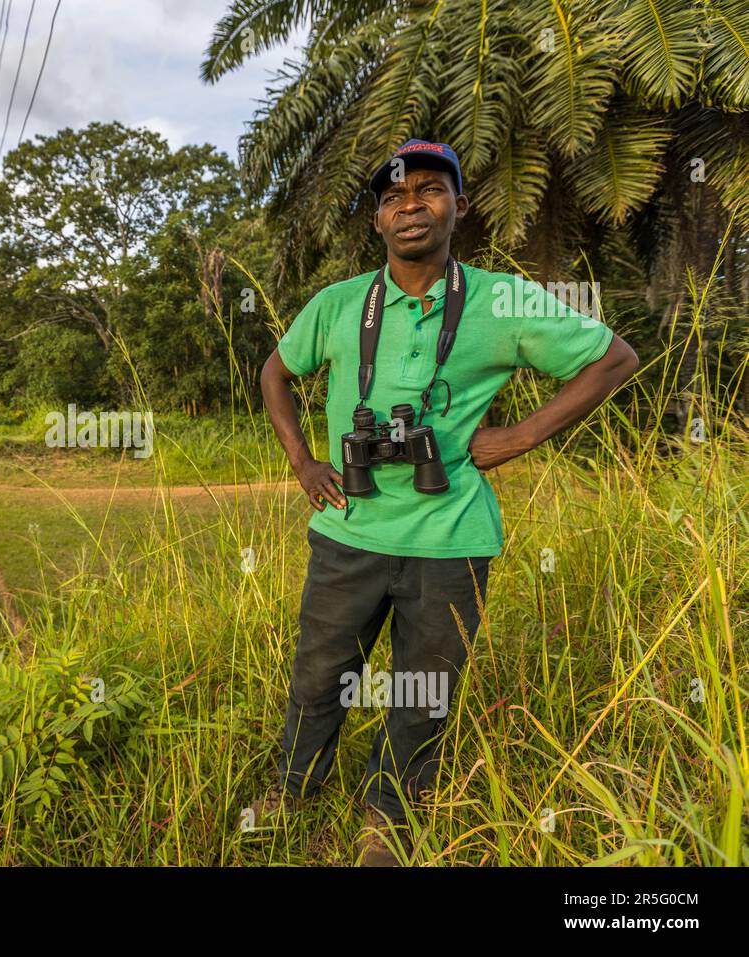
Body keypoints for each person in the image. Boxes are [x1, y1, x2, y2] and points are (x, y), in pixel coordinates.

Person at [252, 139, 640, 865]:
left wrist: (519, 435)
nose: (411, 204)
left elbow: (615, 357)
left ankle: (387, 818)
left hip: (453, 536)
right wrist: (304, 460)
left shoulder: (501, 298)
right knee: (319, 670)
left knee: (422, 689)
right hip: (348, 529)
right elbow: (275, 372)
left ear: (459, 205)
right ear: (377, 220)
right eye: (395, 195)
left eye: (431, 189)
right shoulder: (340, 304)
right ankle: (295, 787)